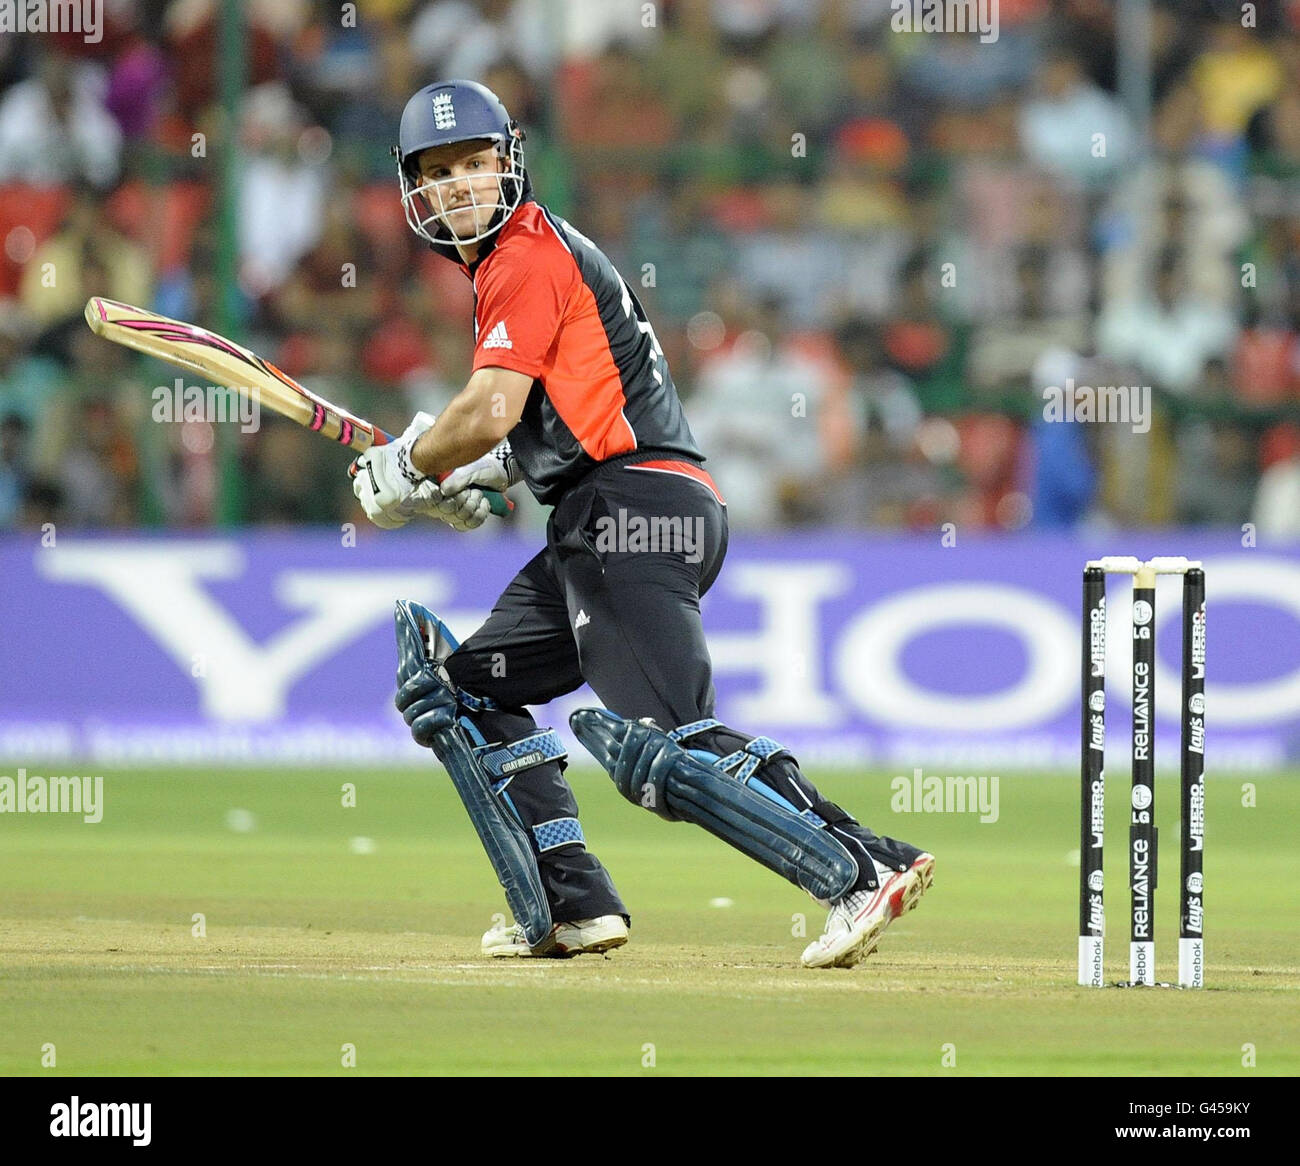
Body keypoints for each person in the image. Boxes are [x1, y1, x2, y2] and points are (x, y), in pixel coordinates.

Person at [351, 79, 934, 968]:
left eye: (475, 163)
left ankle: (855, 871)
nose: (462, 186)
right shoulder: (528, 264)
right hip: (607, 514)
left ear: (510, 163)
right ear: (414, 190)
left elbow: (491, 407)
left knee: (669, 743)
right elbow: (544, 424)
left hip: (631, 513)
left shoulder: (523, 255)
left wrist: (411, 464)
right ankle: (570, 903)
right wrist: (462, 476)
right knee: (466, 692)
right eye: (440, 172)